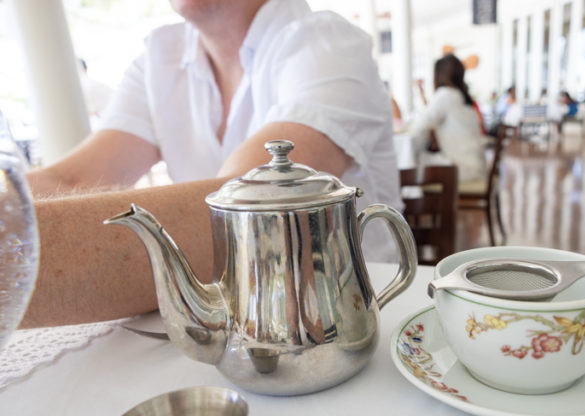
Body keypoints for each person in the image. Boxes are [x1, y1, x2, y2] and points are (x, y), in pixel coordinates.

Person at [21, 0, 400, 328]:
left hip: (337, 316)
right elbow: (69, 180)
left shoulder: (329, 44)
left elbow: (254, 222)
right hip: (225, 316)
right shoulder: (160, 58)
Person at [408, 54, 486, 183]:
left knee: (411, 163)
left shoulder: (446, 94)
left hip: (463, 170)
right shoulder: (460, 96)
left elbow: (419, 125)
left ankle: (416, 203)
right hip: (475, 166)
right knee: (418, 160)